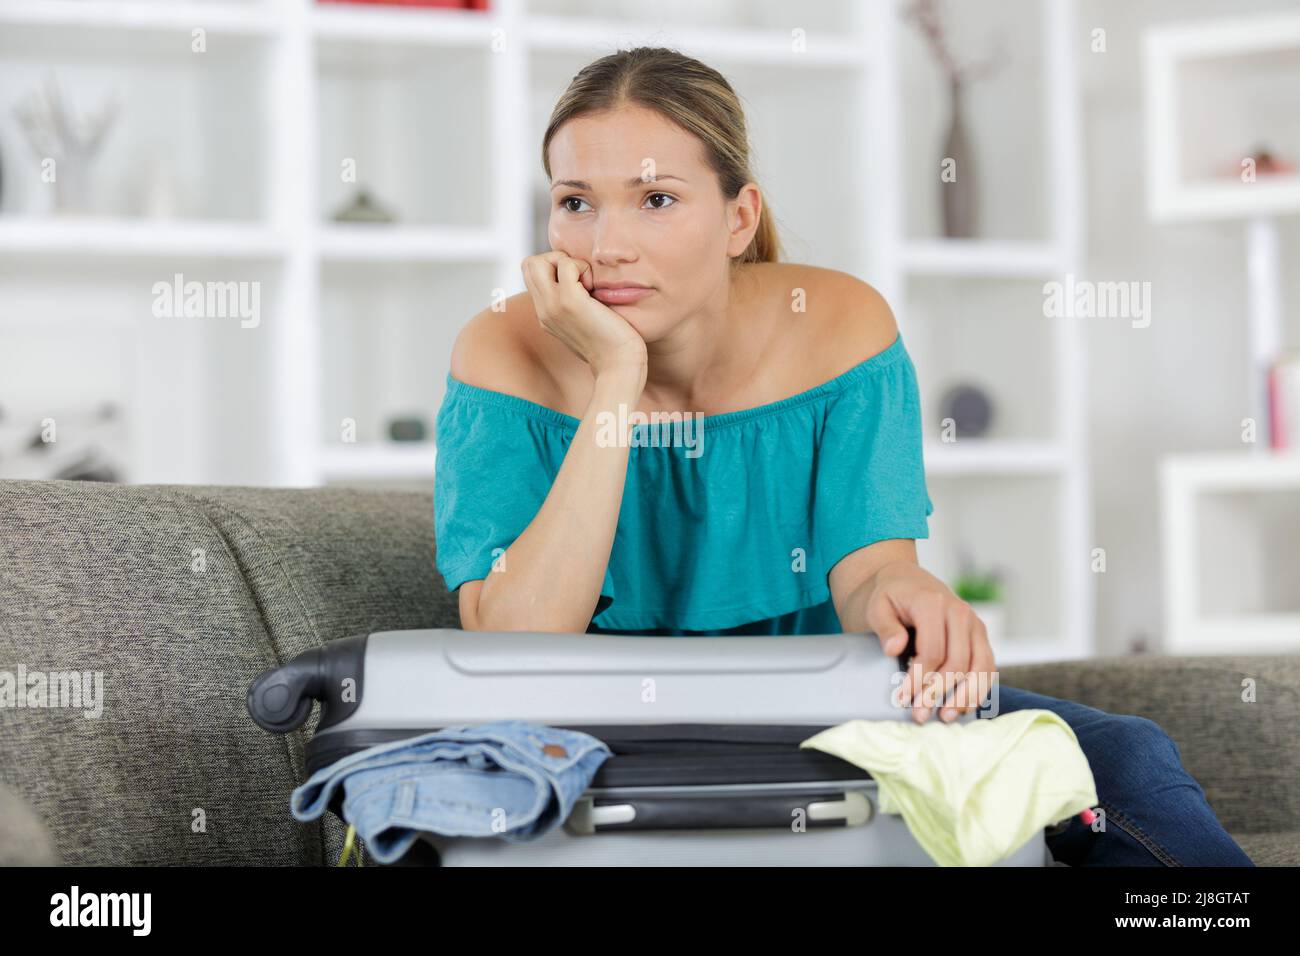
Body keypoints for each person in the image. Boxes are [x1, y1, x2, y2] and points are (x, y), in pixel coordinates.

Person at [432, 47, 1253, 867]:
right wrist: (616, 377)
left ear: (738, 219)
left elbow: (870, 573)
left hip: (827, 712)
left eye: (654, 199)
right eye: (576, 201)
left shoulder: (840, 328)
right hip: (601, 737)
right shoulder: (502, 354)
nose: (606, 245)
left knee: (1120, 755)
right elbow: (517, 645)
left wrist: (910, 590)